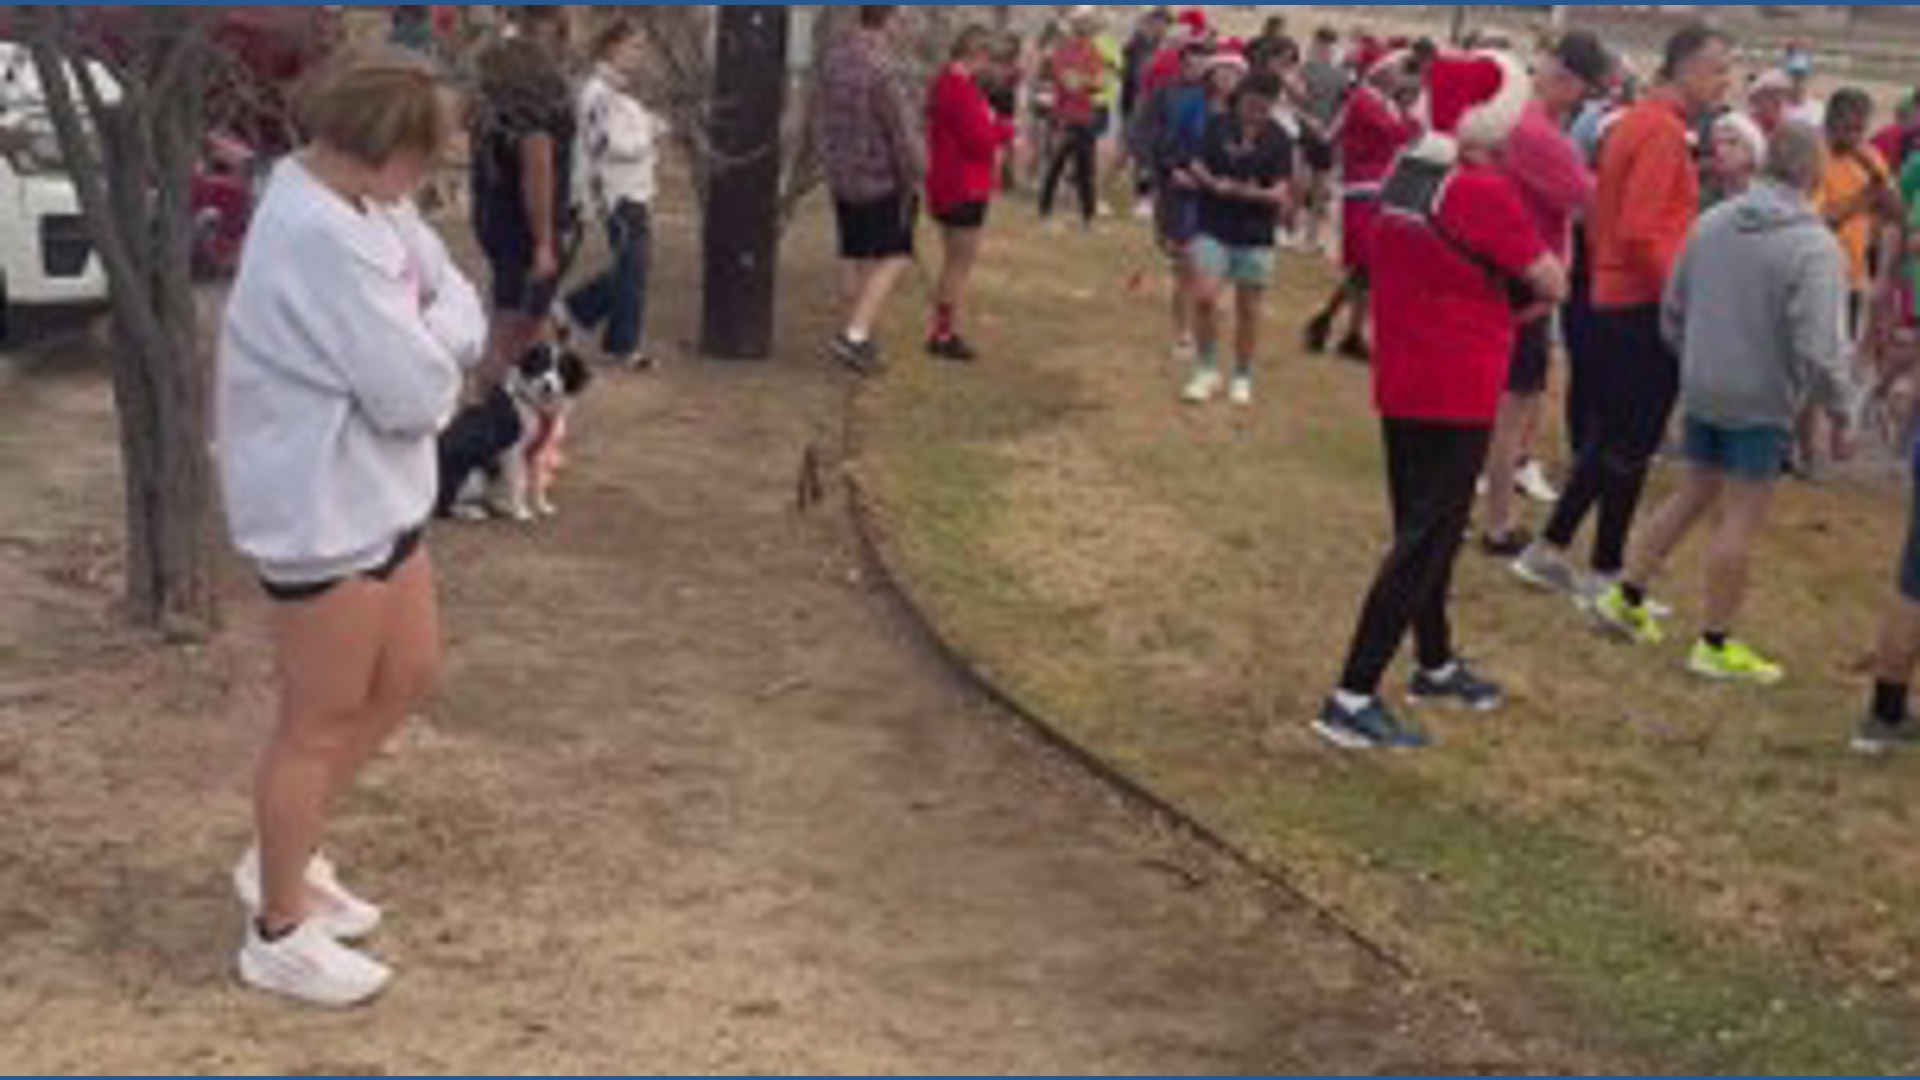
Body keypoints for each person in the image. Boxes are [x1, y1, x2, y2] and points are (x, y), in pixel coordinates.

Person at [218, 48, 484, 1007]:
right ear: (384, 149)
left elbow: (454, 301)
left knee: (407, 674)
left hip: (383, 495)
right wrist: (433, 337)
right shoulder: (316, 233)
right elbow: (413, 389)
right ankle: (278, 929)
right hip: (318, 507)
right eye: (427, 157)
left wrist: (431, 327)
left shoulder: (374, 206)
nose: (430, 177)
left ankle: (280, 858)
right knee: (319, 718)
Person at [1316, 50, 1567, 751]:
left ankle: (1433, 660)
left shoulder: (1409, 170)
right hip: (1457, 382)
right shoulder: (1481, 191)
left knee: (1420, 530)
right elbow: (1551, 281)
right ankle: (1352, 693)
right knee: (1425, 538)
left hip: (1402, 373)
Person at [1593, 123, 1856, 686]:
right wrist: (1839, 409)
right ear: (1813, 175)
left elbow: (1674, 307)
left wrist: (1697, 359)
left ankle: (1628, 592)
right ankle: (1714, 640)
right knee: (1740, 514)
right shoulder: (1813, 246)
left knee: (1694, 490)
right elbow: (1819, 344)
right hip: (1761, 395)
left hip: (1705, 382)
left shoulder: (1712, 223)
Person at [1515, 24, 1734, 603]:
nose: (1723, 80)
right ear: (1682, 67)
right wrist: (1683, 295)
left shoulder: (1641, 122)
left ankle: (1563, 552)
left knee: (1615, 439)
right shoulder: (1661, 131)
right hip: (1640, 302)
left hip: (1617, 295)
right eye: (1715, 68)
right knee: (1628, 444)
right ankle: (1598, 566)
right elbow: (1642, 231)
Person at [1478, 32, 1608, 558]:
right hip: (1524, 282)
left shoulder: (1523, 123)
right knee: (1511, 410)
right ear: (1567, 80)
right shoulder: (1537, 133)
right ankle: (1497, 522)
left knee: (1513, 406)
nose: (1582, 100)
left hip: (1514, 276)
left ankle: (1490, 512)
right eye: (1582, 88)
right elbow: (1586, 198)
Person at [815, 5, 924, 377]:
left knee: (857, 253)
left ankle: (852, 328)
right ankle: (855, 335)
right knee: (895, 254)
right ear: (890, 19)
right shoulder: (882, 69)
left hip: (843, 176)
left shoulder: (834, 61)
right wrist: (918, 170)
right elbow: (901, 130)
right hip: (880, 178)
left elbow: (823, 118)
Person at [470, 6, 576, 388]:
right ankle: (485, 415)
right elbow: (538, 167)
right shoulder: (531, 82)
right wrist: (544, 241)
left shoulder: (496, 71)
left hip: (496, 217)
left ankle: (531, 419)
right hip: (522, 227)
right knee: (511, 327)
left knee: (530, 322)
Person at [1179, 69, 1293, 407]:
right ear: (1240, 99)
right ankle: (1206, 369)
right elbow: (1195, 162)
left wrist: (1249, 192)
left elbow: (1280, 191)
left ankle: (1242, 375)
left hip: (1255, 232)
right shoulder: (1218, 125)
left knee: (1249, 308)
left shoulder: (1279, 139)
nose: (1255, 112)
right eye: (1249, 104)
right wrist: (1212, 183)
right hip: (1213, 223)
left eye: (1263, 107)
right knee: (1205, 298)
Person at [556, 20, 663, 371]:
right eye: (633, 47)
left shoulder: (616, 92)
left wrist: (647, 125)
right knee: (632, 267)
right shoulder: (599, 93)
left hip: (633, 190)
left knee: (631, 268)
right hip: (618, 193)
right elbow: (606, 144)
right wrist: (648, 133)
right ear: (612, 48)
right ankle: (610, 336)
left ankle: (595, 325)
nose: (639, 54)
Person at [1303, 47, 1420, 363]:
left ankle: (1334, 324)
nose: (1402, 77)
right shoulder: (1366, 102)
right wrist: (1416, 123)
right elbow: (1398, 133)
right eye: (1397, 69)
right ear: (1381, 71)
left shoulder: (1377, 102)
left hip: (1374, 186)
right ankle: (1341, 328)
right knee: (1368, 263)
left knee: (1365, 266)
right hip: (1365, 187)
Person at [924, 24, 1015, 362]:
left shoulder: (950, 84)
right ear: (975, 55)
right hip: (963, 184)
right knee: (958, 263)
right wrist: (1004, 130)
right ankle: (943, 333)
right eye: (988, 59)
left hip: (953, 181)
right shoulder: (959, 88)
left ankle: (942, 327)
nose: (990, 67)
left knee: (954, 261)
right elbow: (979, 140)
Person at [1133, 36, 1213, 365]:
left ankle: (1190, 331)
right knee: (1178, 253)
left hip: (1206, 190)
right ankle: (1184, 331)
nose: (1197, 69)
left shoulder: (1217, 100)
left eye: (1202, 63)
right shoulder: (1164, 93)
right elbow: (1146, 133)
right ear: (1181, 64)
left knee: (1194, 261)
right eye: (1191, 62)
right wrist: (1156, 170)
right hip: (1172, 184)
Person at [1039, 7, 1107, 230]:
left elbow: (1099, 83)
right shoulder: (1063, 51)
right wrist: (1087, 82)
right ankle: (1045, 213)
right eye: (1084, 24)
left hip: (1085, 115)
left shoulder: (1092, 51)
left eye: (1090, 24)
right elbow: (1070, 83)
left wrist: (1084, 81)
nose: (1087, 29)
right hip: (1064, 116)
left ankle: (1088, 218)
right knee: (1056, 165)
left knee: (1086, 168)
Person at [1705, 111, 1766, 208]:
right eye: (1718, 142)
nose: (1721, 150)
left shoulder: (1767, 195)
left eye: (1732, 143)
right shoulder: (1706, 196)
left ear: (1751, 149)